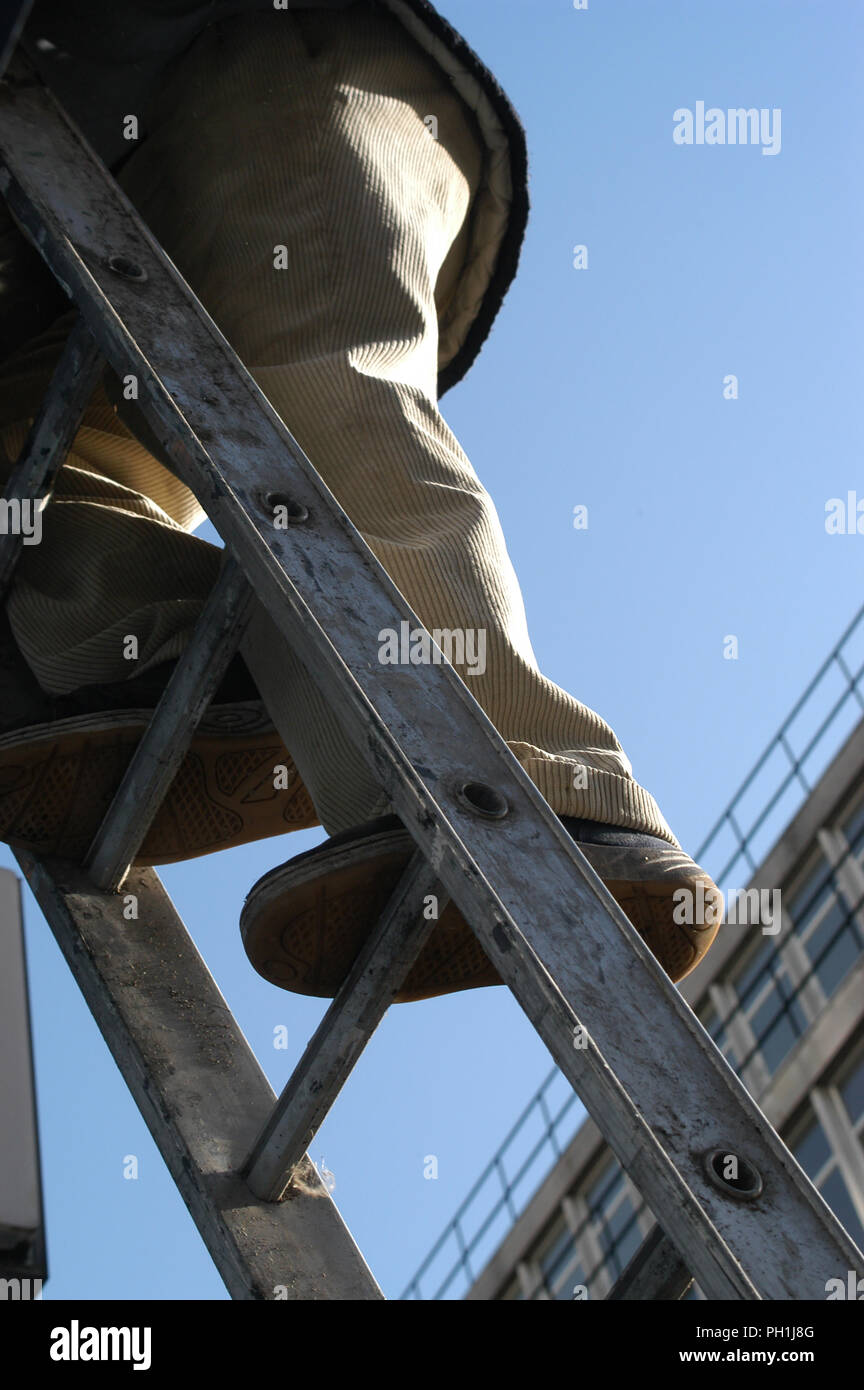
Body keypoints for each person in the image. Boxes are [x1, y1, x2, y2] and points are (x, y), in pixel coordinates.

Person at [0, 0, 722, 1001]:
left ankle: (540, 791)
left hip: (250, 52)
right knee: (33, 468)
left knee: (313, 388)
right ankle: (145, 655)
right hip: (70, 206)